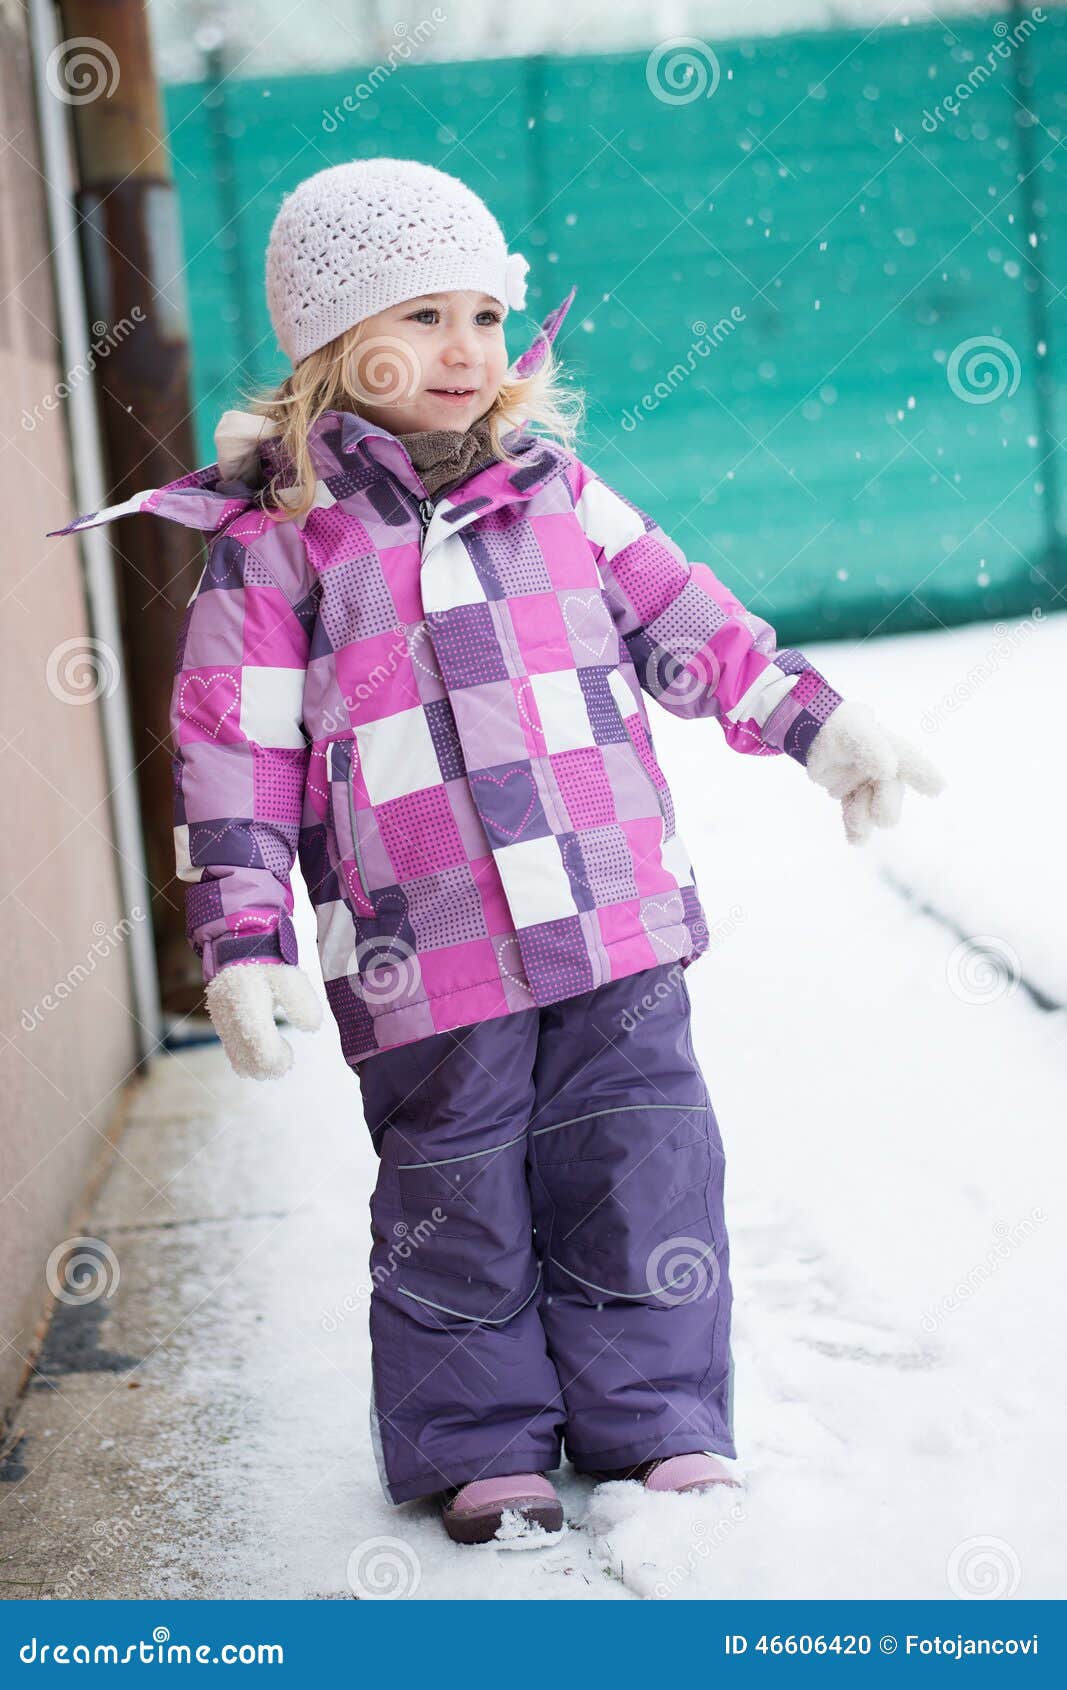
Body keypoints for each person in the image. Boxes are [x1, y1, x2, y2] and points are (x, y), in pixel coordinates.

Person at [47, 158, 947, 1548]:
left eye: (485, 312)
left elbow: (690, 623)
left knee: (641, 1158)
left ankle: (658, 1416)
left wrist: (816, 721)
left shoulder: (561, 495)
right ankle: (479, 1441)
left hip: (612, 914)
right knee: (451, 1191)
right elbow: (234, 749)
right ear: (335, 347)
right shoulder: (282, 542)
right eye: (423, 316)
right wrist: (240, 939)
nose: (467, 349)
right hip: (427, 941)